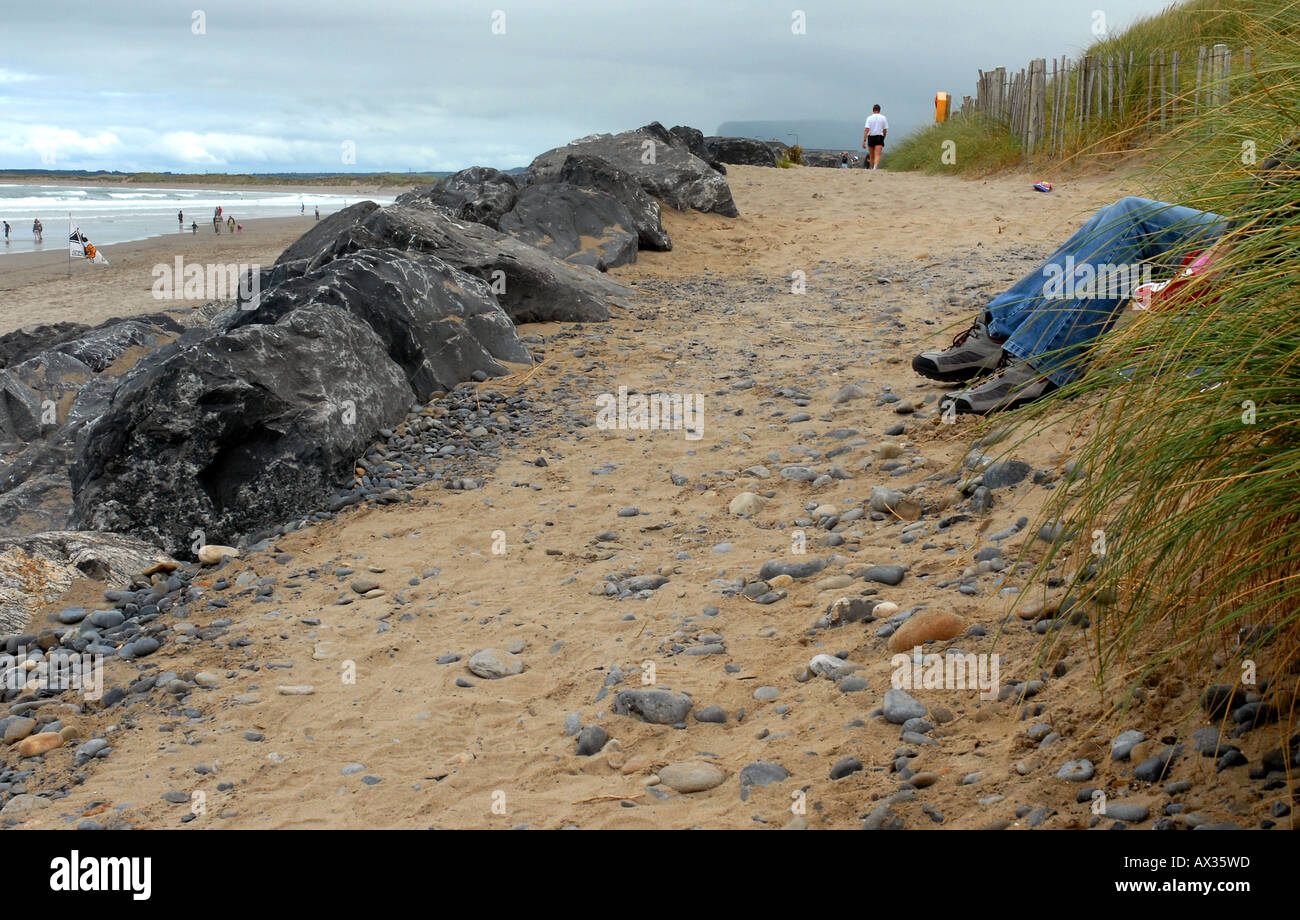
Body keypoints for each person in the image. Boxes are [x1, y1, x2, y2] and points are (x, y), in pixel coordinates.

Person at [913, 135, 1300, 415]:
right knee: (1127, 215)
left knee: (1132, 220)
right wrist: (1237, 238)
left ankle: (1041, 363)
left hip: (1277, 249)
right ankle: (1001, 335)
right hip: (1266, 235)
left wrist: (1232, 248)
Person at [863, 104, 888, 170]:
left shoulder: (869, 118)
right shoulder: (883, 118)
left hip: (871, 137)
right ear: (879, 110)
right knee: (877, 154)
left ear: (873, 110)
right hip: (879, 136)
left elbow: (866, 130)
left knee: (871, 155)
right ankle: (875, 168)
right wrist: (883, 138)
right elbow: (885, 130)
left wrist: (864, 140)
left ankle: (872, 167)